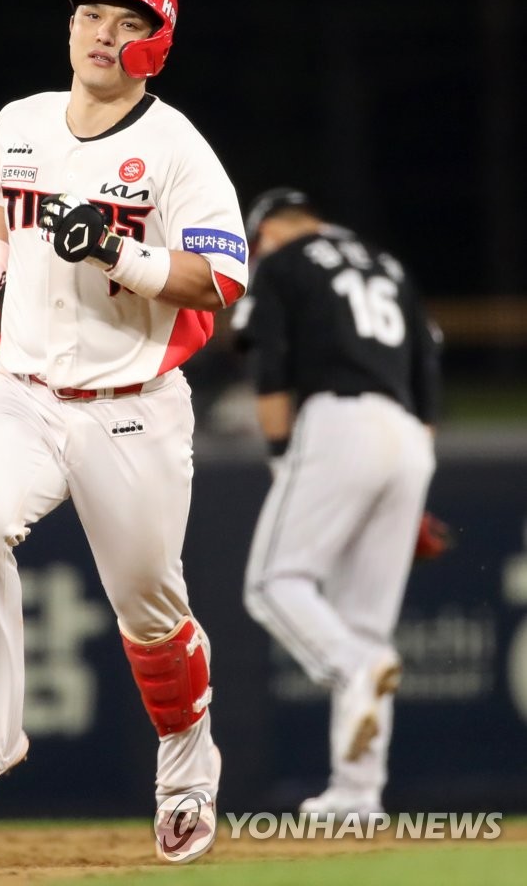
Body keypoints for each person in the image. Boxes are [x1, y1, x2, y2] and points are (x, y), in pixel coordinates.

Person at [0, 0, 248, 865]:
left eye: (130, 21)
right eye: (92, 15)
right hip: (20, 389)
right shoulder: (19, 124)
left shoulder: (178, 149)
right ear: (69, 28)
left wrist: (125, 253)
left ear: (157, 46)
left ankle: (187, 771)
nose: (105, 33)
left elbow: (220, 279)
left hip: (131, 403)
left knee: (151, 611)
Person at [232, 186, 440, 819]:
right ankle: (357, 794)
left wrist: (280, 458)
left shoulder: (283, 262)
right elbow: (428, 379)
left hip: (338, 423)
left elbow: (270, 367)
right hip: (409, 439)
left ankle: (351, 667)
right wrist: (413, 489)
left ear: (267, 232)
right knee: (367, 622)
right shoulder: (387, 263)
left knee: (274, 582)